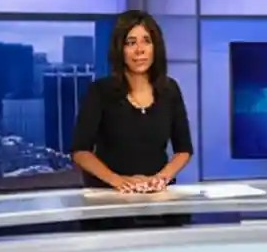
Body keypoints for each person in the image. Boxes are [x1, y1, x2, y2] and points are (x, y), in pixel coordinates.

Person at [71, 10, 194, 193]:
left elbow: (184, 149)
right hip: (111, 198)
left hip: (158, 197)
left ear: (155, 47)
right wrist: (119, 181)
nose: (140, 50)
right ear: (120, 49)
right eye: (131, 43)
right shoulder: (100, 91)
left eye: (146, 41)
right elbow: (80, 152)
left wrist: (161, 178)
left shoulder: (170, 90)